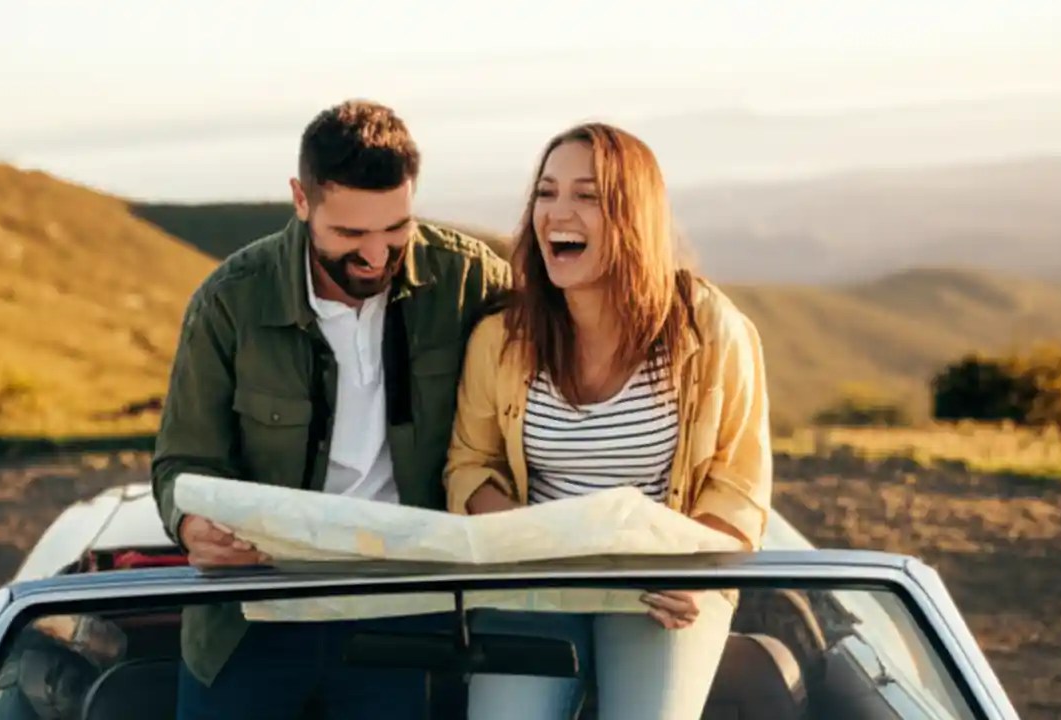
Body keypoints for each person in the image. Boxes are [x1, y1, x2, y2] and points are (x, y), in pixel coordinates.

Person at [150, 99, 511, 720]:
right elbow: (180, 462)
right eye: (350, 235)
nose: (377, 255)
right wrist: (189, 525)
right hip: (252, 615)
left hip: (408, 609)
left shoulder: (472, 281)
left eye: (395, 229)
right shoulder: (228, 303)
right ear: (301, 199)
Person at [443, 122, 772, 720]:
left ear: (634, 214)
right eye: (546, 192)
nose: (557, 212)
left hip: (661, 585)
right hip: (534, 581)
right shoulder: (500, 337)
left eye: (587, 195)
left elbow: (738, 486)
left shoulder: (711, 329)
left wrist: (694, 571)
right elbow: (469, 466)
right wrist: (538, 546)